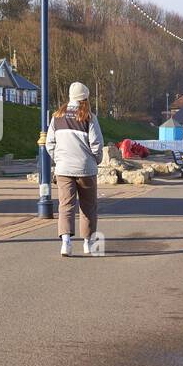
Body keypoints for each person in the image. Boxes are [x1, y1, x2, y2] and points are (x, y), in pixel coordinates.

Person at [45, 81, 104, 257]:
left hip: (63, 169)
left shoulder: (57, 116)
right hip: (86, 169)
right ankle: (88, 243)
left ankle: (66, 243)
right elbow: (96, 144)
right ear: (84, 98)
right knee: (88, 206)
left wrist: (58, 158)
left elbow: (49, 143)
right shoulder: (89, 117)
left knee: (65, 206)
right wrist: (96, 160)